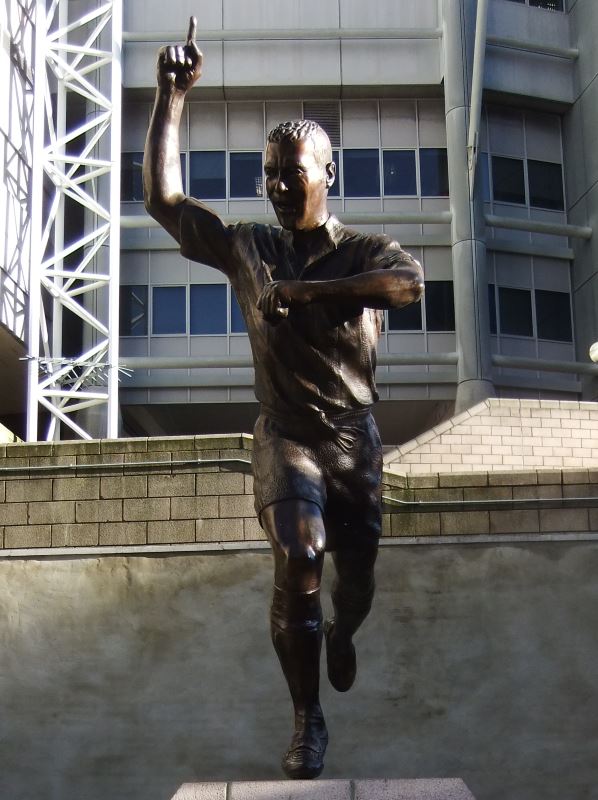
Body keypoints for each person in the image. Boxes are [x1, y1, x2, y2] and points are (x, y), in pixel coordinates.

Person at [143, 18, 424, 781]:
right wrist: (171, 99)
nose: (274, 186)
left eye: (290, 172)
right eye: (267, 173)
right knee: (300, 555)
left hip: (353, 442)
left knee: (355, 579)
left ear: (326, 172)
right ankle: (306, 719)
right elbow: (167, 202)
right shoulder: (247, 248)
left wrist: (312, 294)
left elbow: (409, 285)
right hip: (286, 438)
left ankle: (344, 630)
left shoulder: (366, 252)